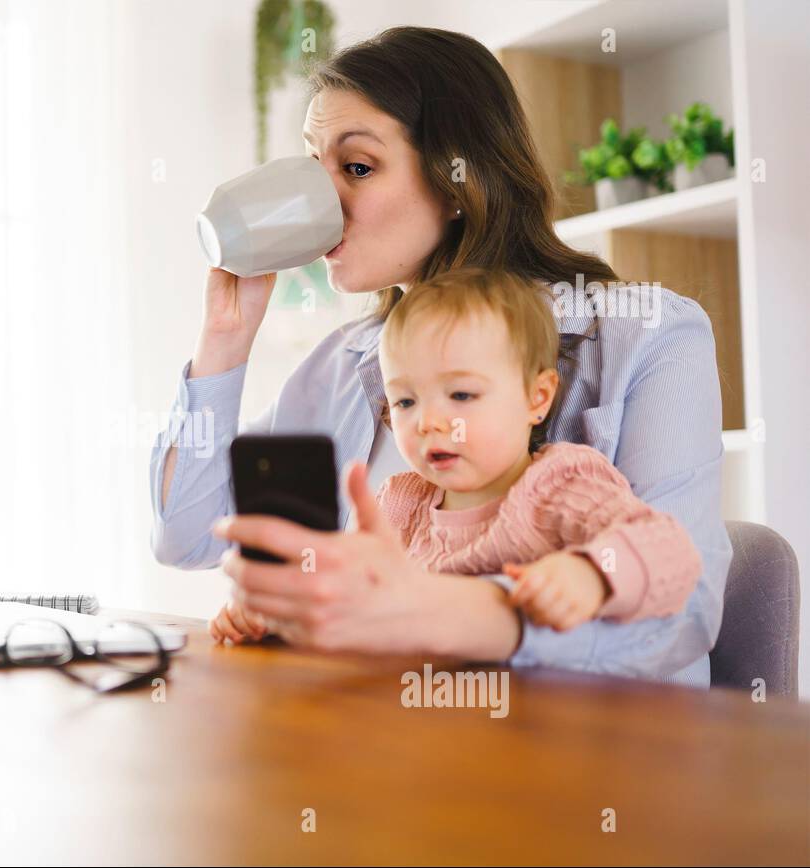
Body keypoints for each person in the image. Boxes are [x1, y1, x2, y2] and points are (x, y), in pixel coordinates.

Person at [149, 26, 730, 686]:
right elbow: (188, 535)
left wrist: (436, 613)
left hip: (591, 753)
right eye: (314, 169)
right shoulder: (345, 363)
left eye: (357, 167)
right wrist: (223, 341)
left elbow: (684, 615)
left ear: (458, 179)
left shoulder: (645, 335)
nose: (324, 200)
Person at [213, 268, 704, 644]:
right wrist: (279, 613)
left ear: (537, 397)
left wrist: (594, 573)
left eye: (462, 396)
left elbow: (670, 549)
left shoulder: (561, 483)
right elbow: (353, 599)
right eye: (405, 401)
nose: (428, 422)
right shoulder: (399, 504)